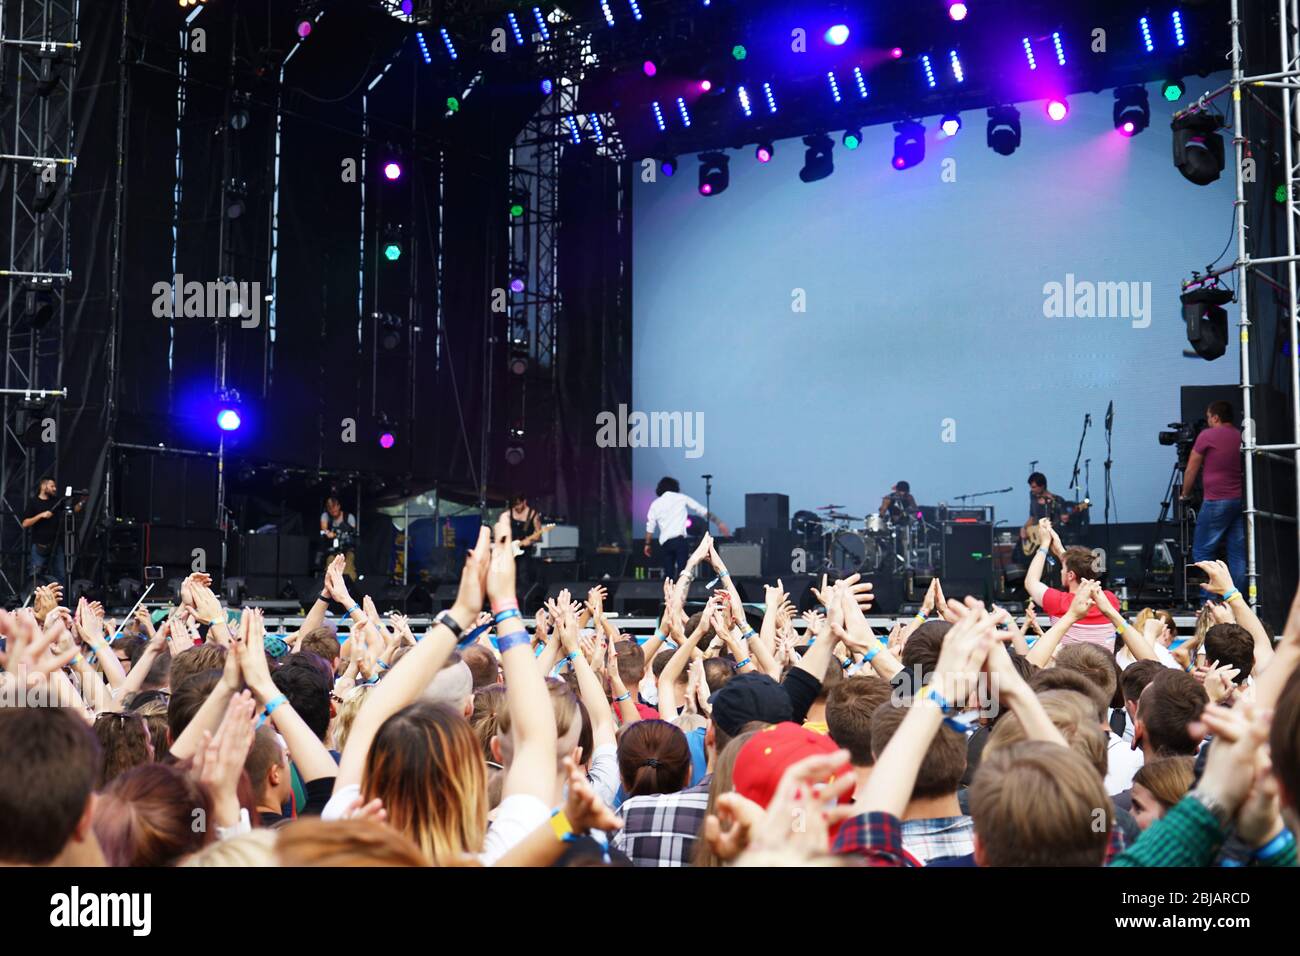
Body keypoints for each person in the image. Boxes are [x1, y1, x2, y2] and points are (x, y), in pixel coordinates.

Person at [1182, 400, 1245, 592]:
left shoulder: (1207, 435)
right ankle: (1236, 600)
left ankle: (1206, 601)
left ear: (1215, 417)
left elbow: (1192, 467)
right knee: (1237, 554)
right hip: (1238, 500)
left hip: (1216, 500)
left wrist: (1185, 493)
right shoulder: (1239, 436)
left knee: (1203, 551)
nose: (1208, 421)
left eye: (1209, 417)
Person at [643, 477, 729, 580]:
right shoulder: (681, 498)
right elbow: (701, 510)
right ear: (675, 487)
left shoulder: (655, 504)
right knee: (683, 574)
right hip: (680, 541)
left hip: (666, 543)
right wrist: (718, 522)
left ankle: (669, 594)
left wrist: (647, 544)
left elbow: (650, 526)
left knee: (668, 575)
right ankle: (682, 594)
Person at [22, 476, 81, 586]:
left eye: (55, 486)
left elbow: (73, 510)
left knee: (61, 574)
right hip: (39, 545)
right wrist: (41, 515)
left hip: (55, 545)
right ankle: (34, 600)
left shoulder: (56, 501)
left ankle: (61, 602)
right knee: (35, 575)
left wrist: (82, 502)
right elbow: (25, 523)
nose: (54, 488)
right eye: (52, 486)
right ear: (43, 486)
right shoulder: (34, 502)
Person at [320, 496, 357, 578]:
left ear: (339, 506)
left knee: (348, 569)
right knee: (330, 566)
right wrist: (328, 533)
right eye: (330, 508)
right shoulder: (326, 516)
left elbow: (353, 532)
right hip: (332, 551)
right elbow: (324, 528)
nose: (333, 510)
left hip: (347, 550)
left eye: (334, 506)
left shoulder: (348, 517)